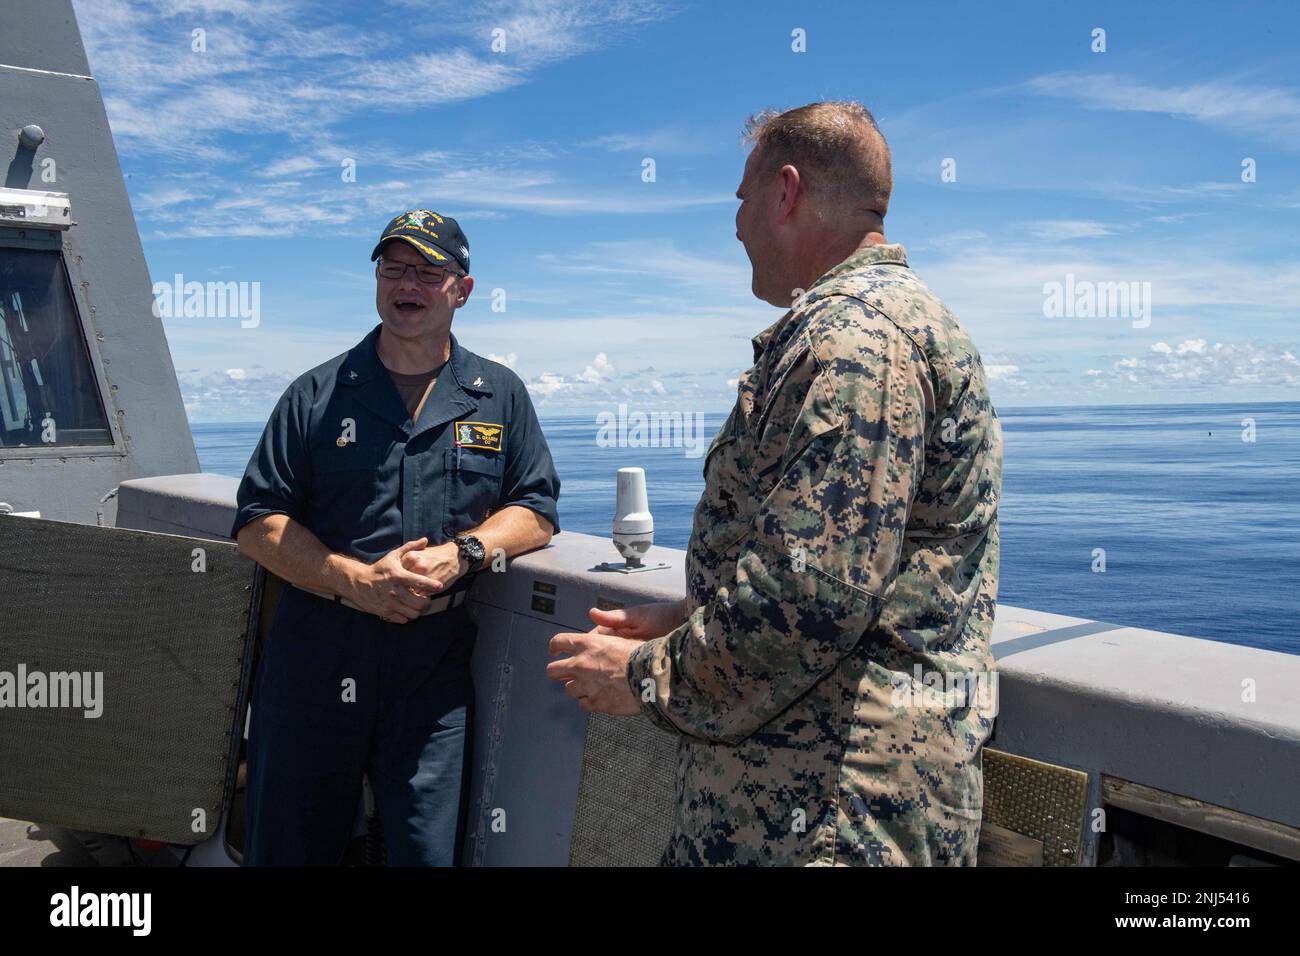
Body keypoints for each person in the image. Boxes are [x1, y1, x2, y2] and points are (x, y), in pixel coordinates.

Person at [547, 102, 1002, 866]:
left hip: (830, 814)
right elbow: (839, 570)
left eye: (741, 199)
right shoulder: (878, 326)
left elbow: (813, 601)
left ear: (785, 193)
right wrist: (694, 614)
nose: (734, 226)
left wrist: (644, 678)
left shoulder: (856, 342)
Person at [232, 209, 560, 866]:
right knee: (291, 848)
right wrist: (354, 580)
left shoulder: (498, 395)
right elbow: (257, 522)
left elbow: (536, 509)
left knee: (424, 851)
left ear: (462, 290)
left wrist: (463, 553)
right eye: (393, 268)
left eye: (426, 271)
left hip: (431, 666)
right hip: (317, 658)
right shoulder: (316, 395)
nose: (405, 284)